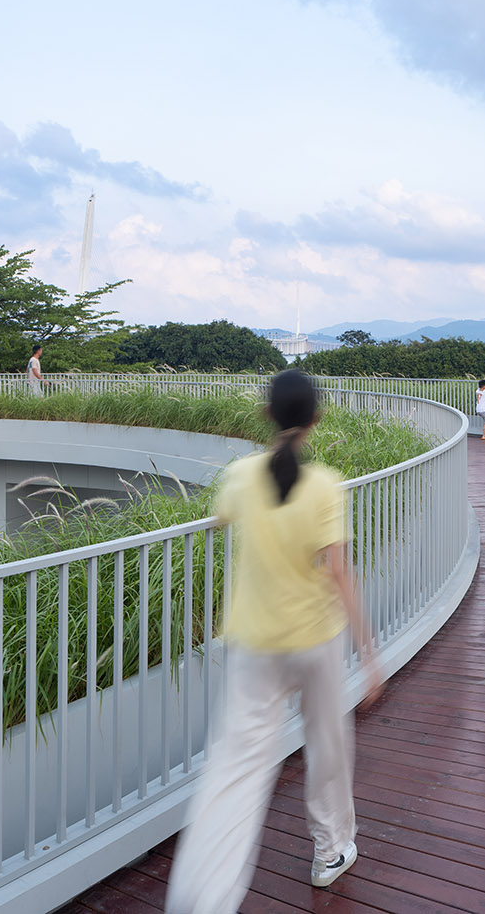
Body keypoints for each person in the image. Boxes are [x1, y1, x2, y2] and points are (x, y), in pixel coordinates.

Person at [165, 369, 384, 913]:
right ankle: (331, 851)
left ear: (267, 415)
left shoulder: (240, 476)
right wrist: (370, 652)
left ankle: (202, 897)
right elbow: (340, 572)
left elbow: (218, 519)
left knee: (235, 769)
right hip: (316, 638)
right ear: (316, 419)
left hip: (253, 642)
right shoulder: (326, 484)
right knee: (328, 746)